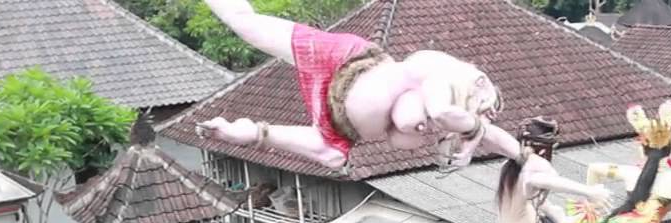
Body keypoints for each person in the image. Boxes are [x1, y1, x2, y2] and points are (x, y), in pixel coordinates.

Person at [197, 0, 517, 172]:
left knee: (333, 157)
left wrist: (526, 158)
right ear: (475, 83)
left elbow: (496, 137)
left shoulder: (446, 115)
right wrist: (472, 137)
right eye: (483, 109)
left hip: (339, 121)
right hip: (343, 61)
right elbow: (448, 113)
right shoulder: (436, 75)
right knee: (247, 26)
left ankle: (248, 131)